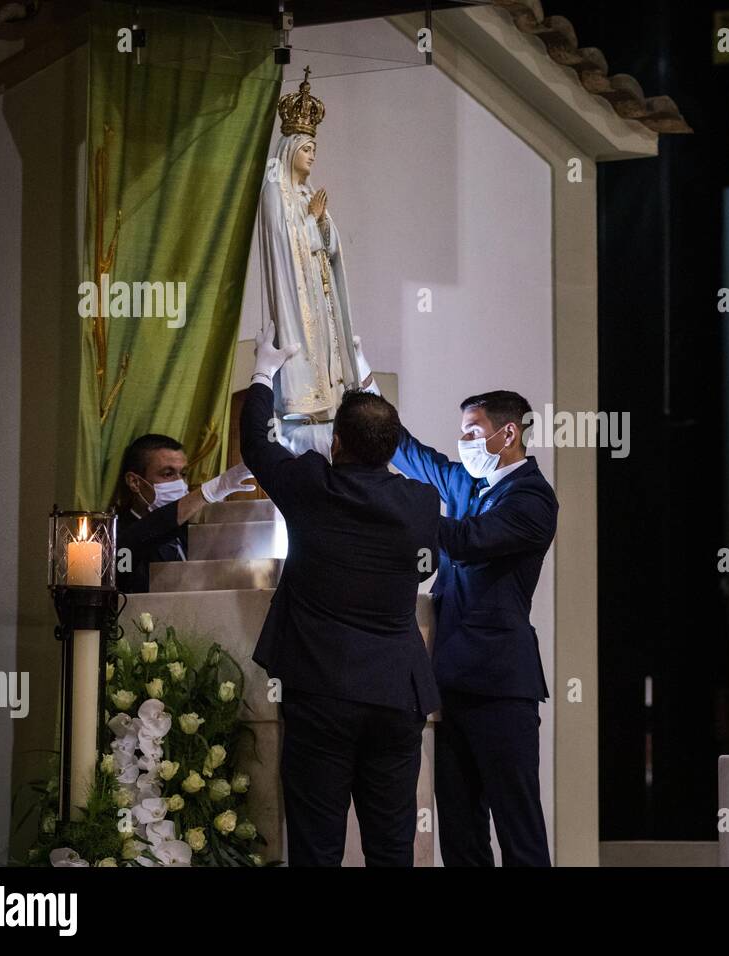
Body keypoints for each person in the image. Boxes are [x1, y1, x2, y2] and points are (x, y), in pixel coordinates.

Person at [350, 338, 557, 866]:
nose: (463, 443)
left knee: (519, 829)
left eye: (472, 433)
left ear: (507, 433)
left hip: (501, 687)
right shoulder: (472, 485)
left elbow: (469, 541)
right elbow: (412, 454)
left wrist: (396, 510)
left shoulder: (532, 499)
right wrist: (365, 378)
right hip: (451, 686)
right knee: (461, 836)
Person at [242, 326, 441, 867]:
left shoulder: (313, 486)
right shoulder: (421, 503)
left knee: (317, 846)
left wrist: (263, 371)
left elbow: (257, 445)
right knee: (392, 846)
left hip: (322, 690)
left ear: (335, 444)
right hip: (397, 694)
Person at [260, 68, 365, 459]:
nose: (312, 157)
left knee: (329, 351)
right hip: (297, 293)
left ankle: (329, 401)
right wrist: (309, 219)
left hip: (320, 293)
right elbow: (282, 246)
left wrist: (320, 221)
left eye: (315, 151)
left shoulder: (305, 193)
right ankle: (305, 403)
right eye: (307, 150)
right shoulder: (276, 192)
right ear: (289, 151)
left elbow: (331, 248)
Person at [114, 435, 255, 593]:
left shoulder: (191, 531)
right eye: (168, 474)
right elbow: (142, 534)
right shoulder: (117, 535)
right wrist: (206, 493)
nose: (180, 482)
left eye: (183, 474)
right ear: (135, 482)